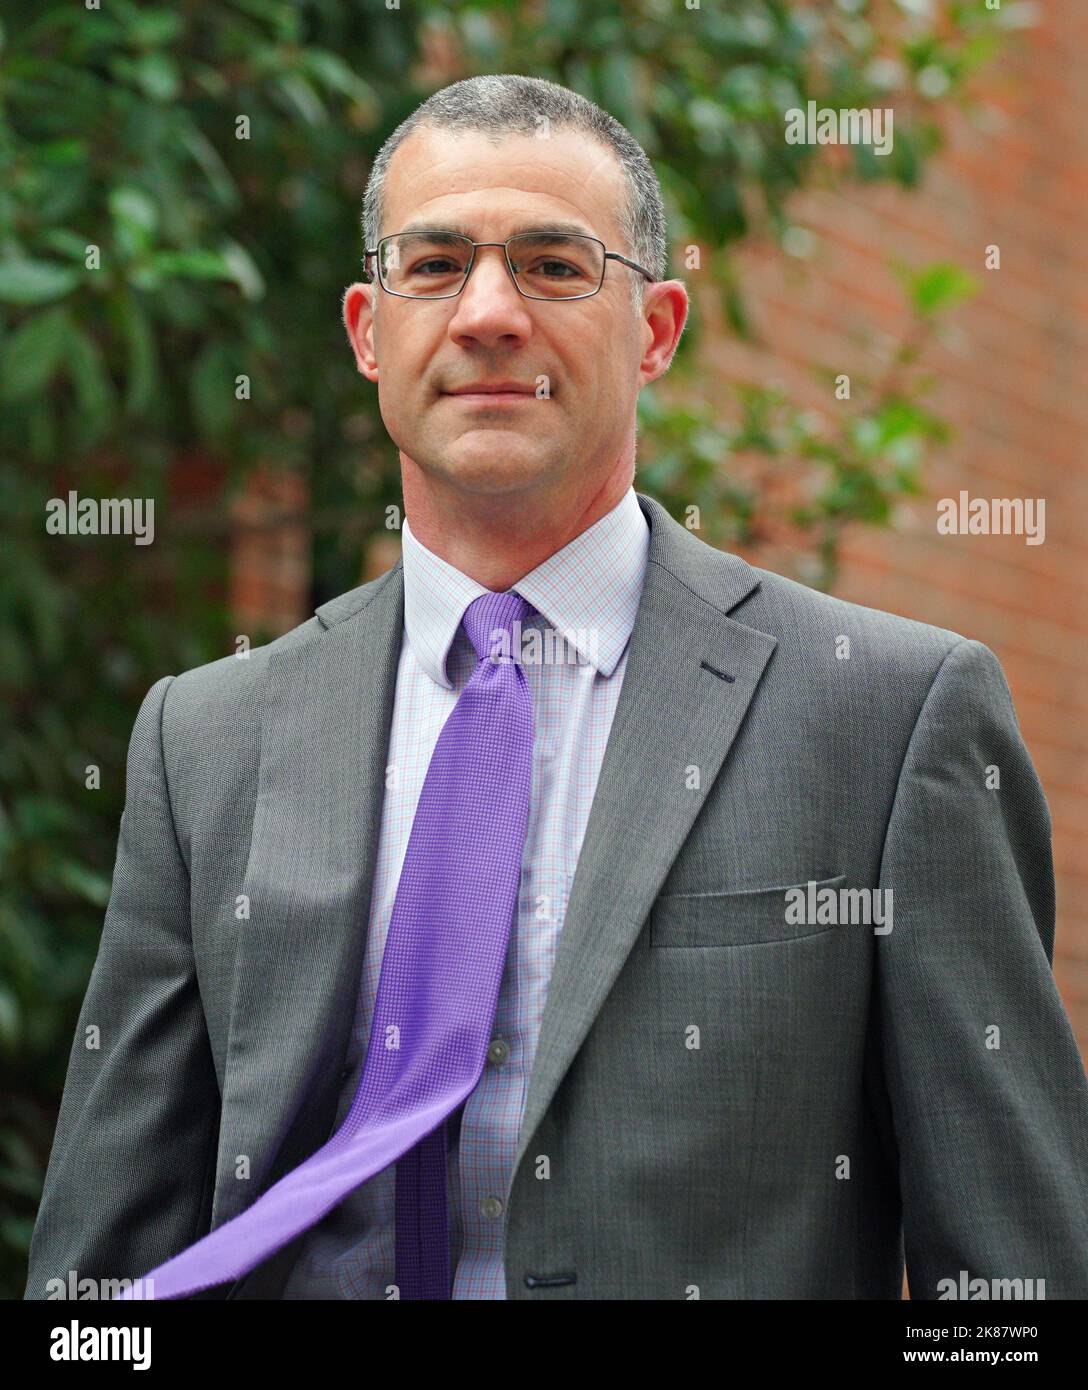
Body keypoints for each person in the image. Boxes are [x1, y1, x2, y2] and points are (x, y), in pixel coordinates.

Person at [25, 74, 1088, 1302]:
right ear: (369, 331)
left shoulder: (889, 715)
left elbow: (1016, 1286)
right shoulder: (204, 739)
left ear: (655, 329)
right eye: (434, 266)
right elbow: (100, 1284)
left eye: (552, 264)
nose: (486, 312)